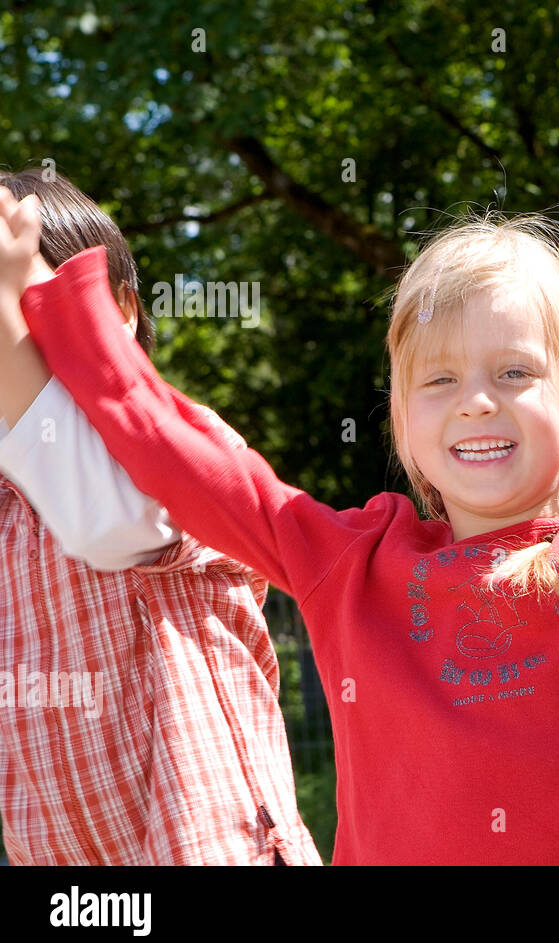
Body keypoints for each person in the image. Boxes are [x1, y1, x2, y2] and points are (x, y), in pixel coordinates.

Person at [6, 11, 559, 859]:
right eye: (439, 380)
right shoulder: (345, 563)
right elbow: (173, 452)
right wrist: (50, 312)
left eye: (514, 373)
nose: (475, 403)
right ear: (400, 417)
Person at [0, 170, 320, 865]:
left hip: (207, 844)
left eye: (19, 305)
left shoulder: (178, 448)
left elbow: (105, 521)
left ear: (116, 309)